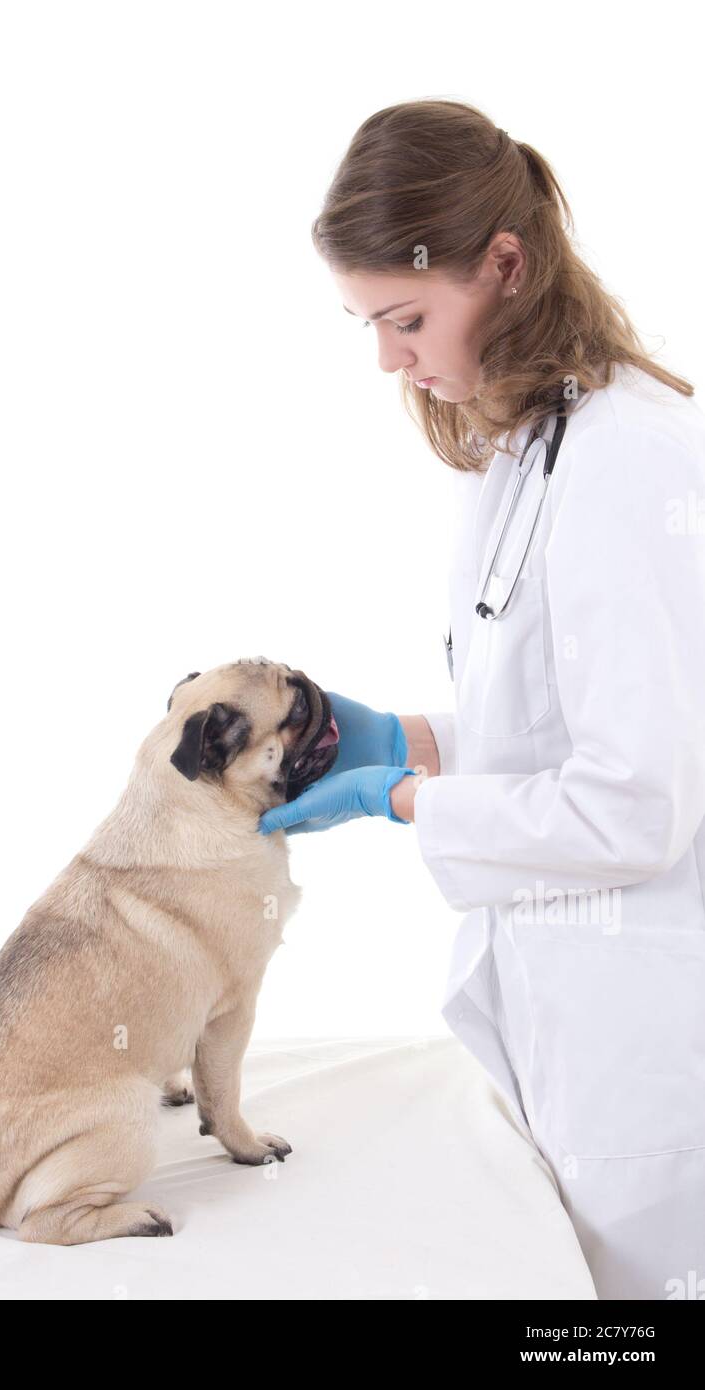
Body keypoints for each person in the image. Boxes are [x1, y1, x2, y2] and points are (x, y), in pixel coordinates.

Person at [258, 99, 705, 1301]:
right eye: (366, 324)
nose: (389, 359)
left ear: (503, 266)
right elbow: (550, 728)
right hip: (563, 1024)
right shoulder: (525, 447)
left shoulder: (627, 460)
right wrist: (402, 740)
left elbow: (633, 803)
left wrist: (404, 799)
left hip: (641, 1051)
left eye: (404, 318)